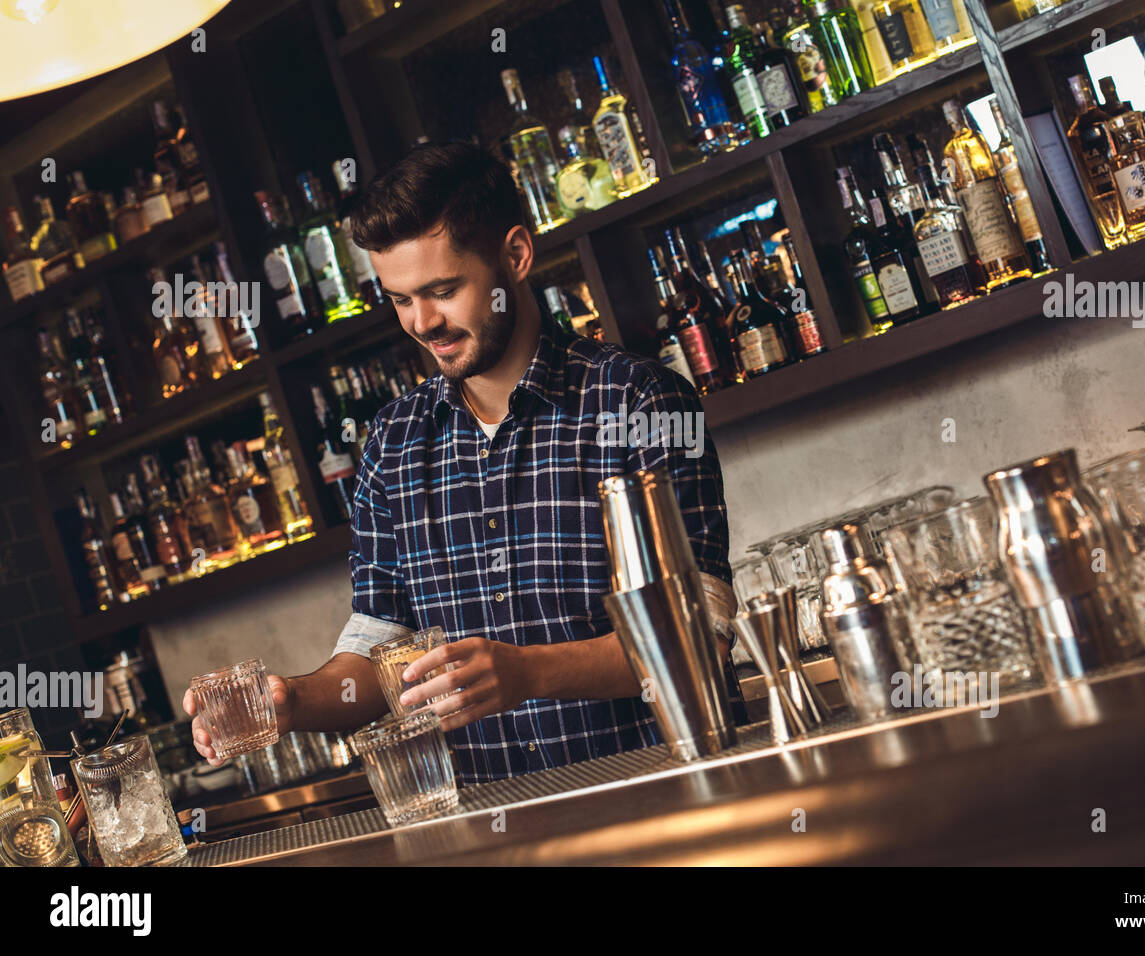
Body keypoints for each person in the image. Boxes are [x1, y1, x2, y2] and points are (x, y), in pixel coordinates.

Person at [186, 142, 746, 783]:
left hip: (665, 795)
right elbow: (381, 649)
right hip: (498, 830)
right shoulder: (393, 445)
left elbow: (700, 634)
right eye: (399, 301)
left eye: (443, 290)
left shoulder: (640, 400)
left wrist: (527, 673)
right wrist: (292, 701)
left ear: (515, 255)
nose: (424, 323)